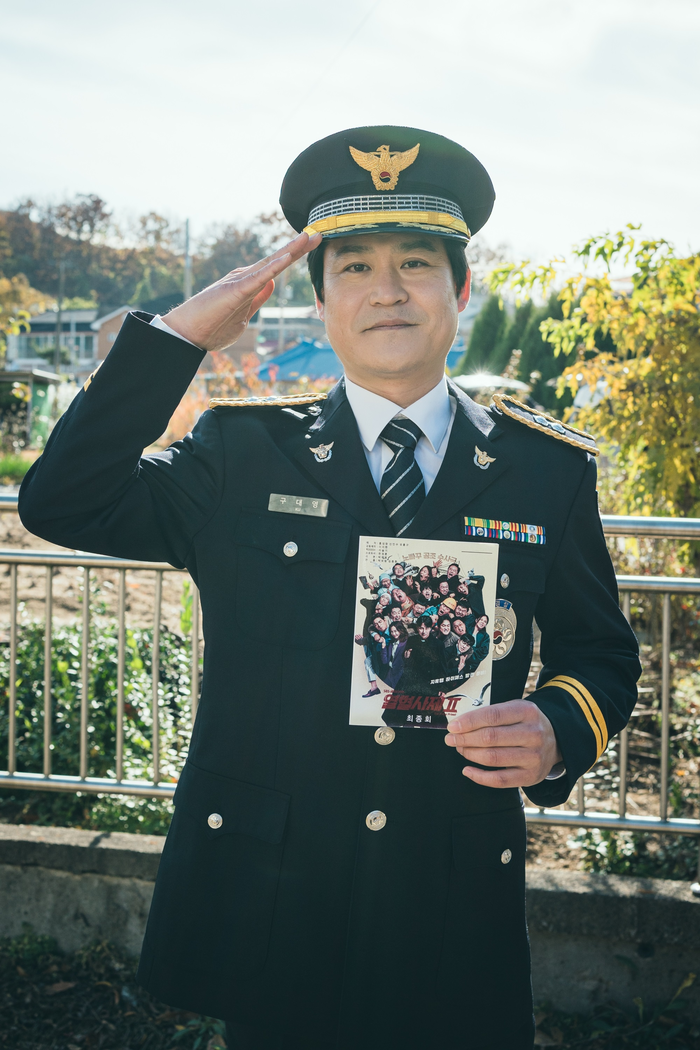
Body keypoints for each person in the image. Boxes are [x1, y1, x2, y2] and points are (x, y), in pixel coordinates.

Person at [18, 124, 640, 1050]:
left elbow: (602, 655)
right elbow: (63, 501)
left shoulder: (541, 469)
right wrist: (180, 338)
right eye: (354, 268)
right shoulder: (238, 452)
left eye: (416, 263)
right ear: (319, 302)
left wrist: (557, 727)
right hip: (279, 901)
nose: (387, 290)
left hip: (450, 896)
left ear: (461, 289)